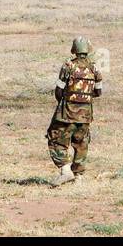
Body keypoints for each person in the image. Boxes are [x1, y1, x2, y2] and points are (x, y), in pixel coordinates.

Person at [46, 35, 103, 185]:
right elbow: (98, 92)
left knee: (56, 139)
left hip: (66, 113)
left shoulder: (68, 66)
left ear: (74, 50)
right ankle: (79, 177)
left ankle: (65, 171)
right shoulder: (94, 67)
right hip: (85, 115)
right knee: (81, 143)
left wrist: (63, 103)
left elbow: (59, 90)